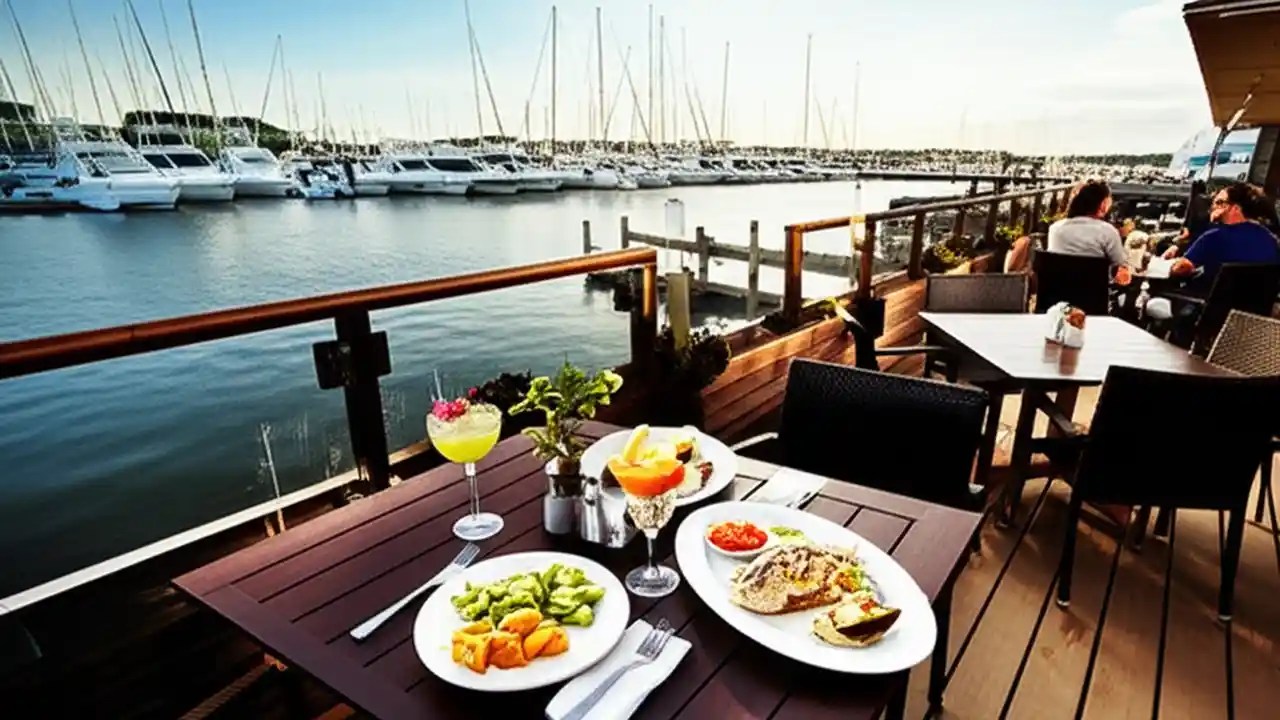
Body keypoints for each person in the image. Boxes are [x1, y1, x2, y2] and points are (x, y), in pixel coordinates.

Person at [1163, 182, 1280, 292]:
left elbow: (1182, 268)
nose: (1213, 208)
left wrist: (1169, 265)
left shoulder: (1215, 236)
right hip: (1251, 309)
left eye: (1220, 203)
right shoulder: (1271, 239)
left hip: (1209, 305)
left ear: (1236, 209)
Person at [1046, 180, 1128, 267]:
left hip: (1057, 280)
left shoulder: (1055, 228)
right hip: (1093, 280)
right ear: (1103, 205)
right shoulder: (1107, 232)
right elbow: (1119, 263)